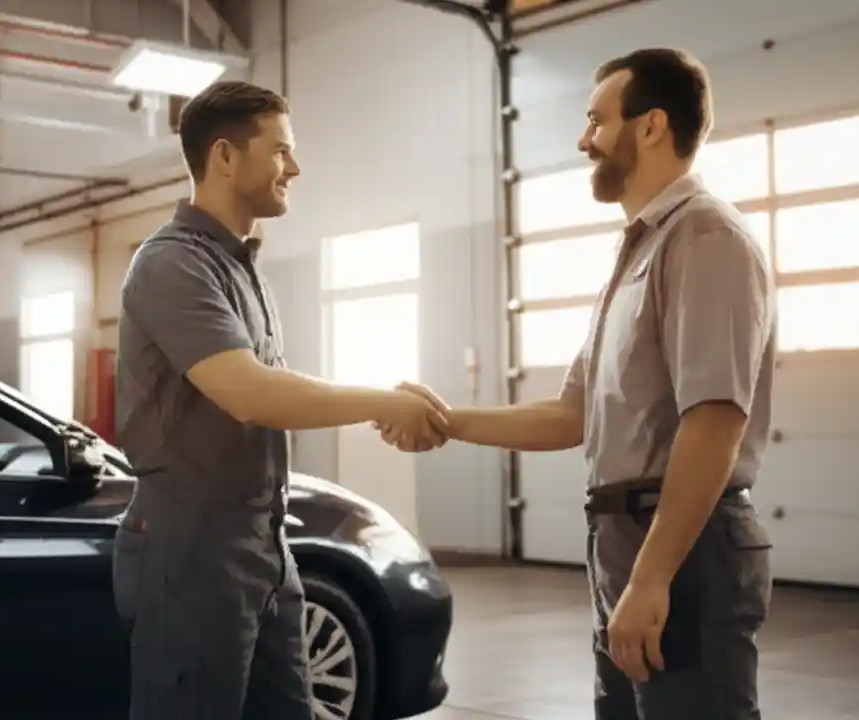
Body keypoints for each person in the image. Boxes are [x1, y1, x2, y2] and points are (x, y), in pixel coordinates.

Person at [382, 48, 777, 719]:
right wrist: (444, 419)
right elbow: (571, 414)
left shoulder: (707, 238)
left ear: (650, 127)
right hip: (625, 545)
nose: (583, 138)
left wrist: (653, 578)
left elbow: (714, 419)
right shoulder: (637, 253)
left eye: (596, 120)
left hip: (683, 547)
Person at [112, 80, 450, 720]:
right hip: (192, 549)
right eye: (281, 150)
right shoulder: (171, 266)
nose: (294, 167)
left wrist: (383, 402)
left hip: (265, 546)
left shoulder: (243, 271)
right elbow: (250, 393)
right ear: (226, 156)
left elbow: (280, 387)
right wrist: (383, 401)